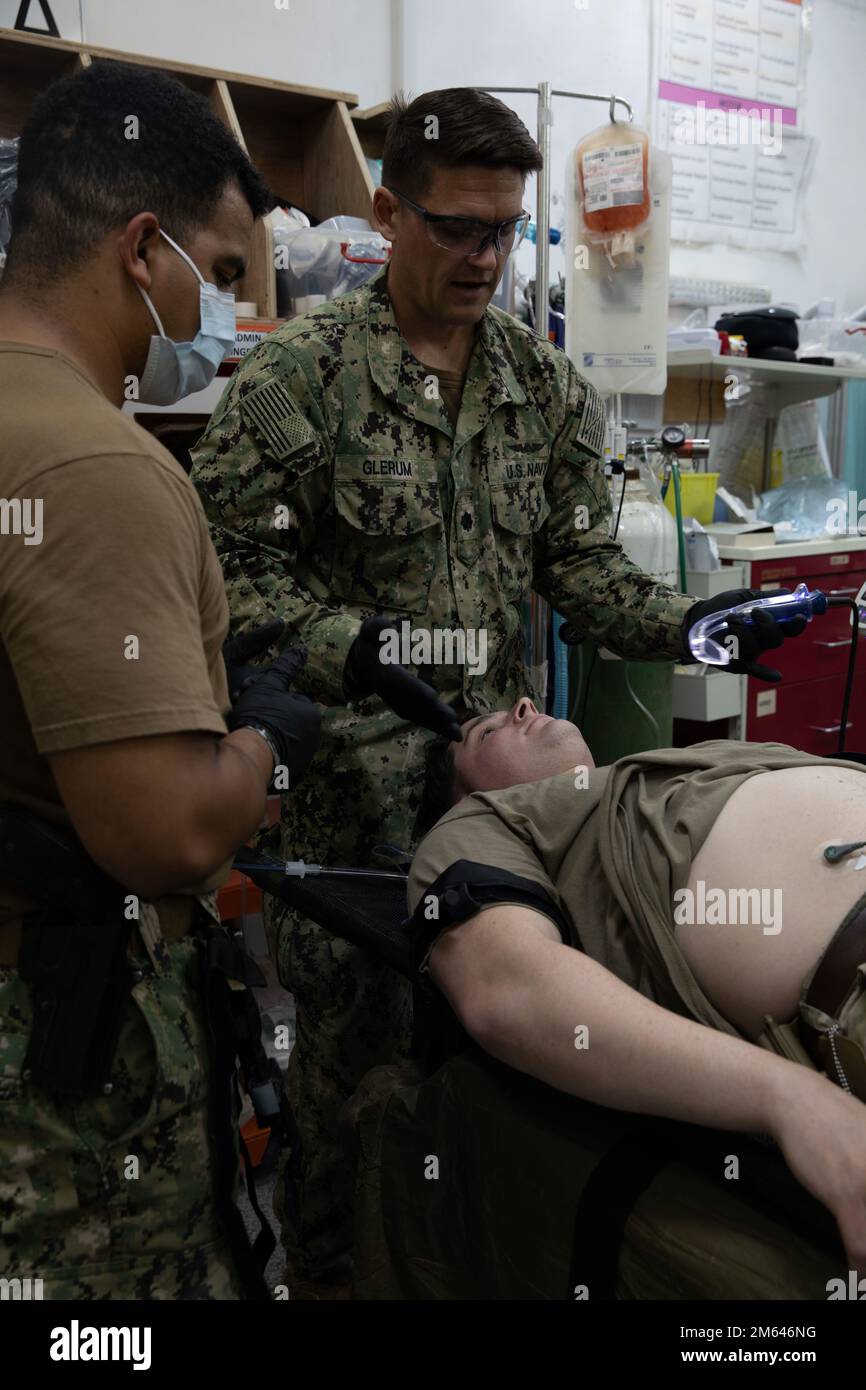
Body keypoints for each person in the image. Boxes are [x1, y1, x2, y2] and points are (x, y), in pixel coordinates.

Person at [189, 86, 804, 1294]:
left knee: (494, 1085)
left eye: (504, 230)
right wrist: (347, 642)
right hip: (353, 827)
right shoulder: (296, 382)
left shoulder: (538, 387)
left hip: (507, 822)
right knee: (347, 1102)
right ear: (386, 213)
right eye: (457, 227)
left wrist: (691, 627)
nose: (483, 256)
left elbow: (576, 569)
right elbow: (212, 574)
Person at [0, 62, 321, 1299]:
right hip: (61, 1082)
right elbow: (170, 834)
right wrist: (257, 745)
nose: (237, 312)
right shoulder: (98, 463)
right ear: (145, 247)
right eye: (228, 274)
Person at [408, 699, 866, 1271]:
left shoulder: (675, 764)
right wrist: (793, 1100)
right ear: (463, 795)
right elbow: (508, 988)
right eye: (488, 731)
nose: (523, 706)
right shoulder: (482, 823)